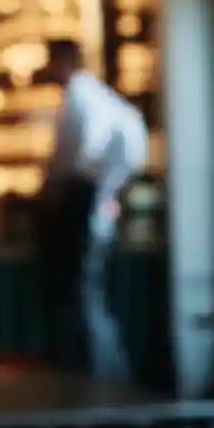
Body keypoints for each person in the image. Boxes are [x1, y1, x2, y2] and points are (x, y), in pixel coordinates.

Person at [36, 39, 148, 383]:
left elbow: (80, 154)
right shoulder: (94, 97)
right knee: (86, 295)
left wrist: (55, 187)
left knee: (84, 295)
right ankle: (101, 378)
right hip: (92, 202)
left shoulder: (84, 98)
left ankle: (100, 381)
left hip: (84, 205)